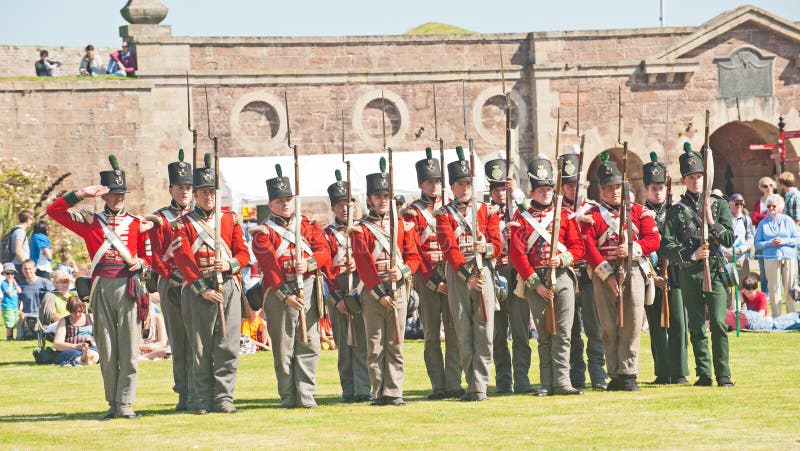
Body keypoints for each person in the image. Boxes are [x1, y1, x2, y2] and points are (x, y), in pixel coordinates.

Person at [46, 154, 152, 419]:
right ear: (104, 196)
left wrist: (142, 262)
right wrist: (81, 193)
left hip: (128, 285)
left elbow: (149, 257)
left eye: (121, 194)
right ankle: (112, 403)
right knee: (106, 348)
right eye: (113, 194)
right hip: (102, 287)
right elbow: (54, 211)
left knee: (128, 349)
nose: (118, 198)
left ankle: (126, 403)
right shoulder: (91, 222)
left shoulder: (137, 223)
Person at [173, 154, 249, 415]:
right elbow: (183, 258)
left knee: (227, 345)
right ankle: (200, 399)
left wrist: (230, 266)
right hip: (198, 289)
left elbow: (243, 254)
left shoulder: (229, 220)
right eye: (203, 192)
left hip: (227, 286)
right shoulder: (183, 224)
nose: (208, 197)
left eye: (211, 192)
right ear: (195, 194)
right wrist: (201, 288)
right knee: (199, 346)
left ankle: (224, 398)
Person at [250, 164, 331, 409]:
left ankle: (306, 394)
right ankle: (287, 395)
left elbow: (324, 251)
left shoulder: (307, 225)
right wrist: (286, 296)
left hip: (308, 287)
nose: (285, 204)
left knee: (309, 344)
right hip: (279, 293)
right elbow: (270, 268)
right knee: (284, 347)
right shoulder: (263, 233)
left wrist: (309, 263)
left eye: (288, 199)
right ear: (271, 204)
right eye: (280, 200)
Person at [581, 152, 660, 391]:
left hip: (633, 270)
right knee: (607, 325)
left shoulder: (638, 212)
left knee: (632, 323)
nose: (614, 192)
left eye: (617, 187)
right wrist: (607, 274)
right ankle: (613, 372)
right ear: (600, 191)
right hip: (603, 273)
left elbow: (653, 240)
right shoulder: (592, 216)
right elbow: (588, 245)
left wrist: (633, 249)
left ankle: (628, 372)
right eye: (608, 189)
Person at [510, 156, 585, 396]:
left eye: (549, 189)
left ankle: (562, 381)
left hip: (562, 276)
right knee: (543, 334)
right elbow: (517, 253)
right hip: (536, 280)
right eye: (541, 190)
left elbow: (577, 246)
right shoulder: (522, 219)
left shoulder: (565, 215)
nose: (546, 194)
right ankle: (545, 383)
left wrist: (562, 259)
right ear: (531, 192)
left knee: (563, 332)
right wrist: (534, 283)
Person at [662, 143, 735, 388]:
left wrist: (711, 219)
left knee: (718, 323)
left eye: (699, 177)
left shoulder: (718, 204)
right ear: (684, 180)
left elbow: (729, 239)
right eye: (691, 177)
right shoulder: (676, 211)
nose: (696, 181)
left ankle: (723, 374)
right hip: (690, 273)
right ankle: (704, 374)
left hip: (713, 270)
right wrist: (692, 255)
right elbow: (667, 247)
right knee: (696, 327)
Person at [351, 159, 421, 406]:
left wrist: (402, 272)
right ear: (369, 199)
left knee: (396, 341)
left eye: (386, 196)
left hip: (398, 287)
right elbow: (363, 263)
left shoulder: (403, 225)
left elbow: (413, 257)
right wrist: (380, 293)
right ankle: (378, 391)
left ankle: (395, 391)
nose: (382, 200)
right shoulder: (361, 229)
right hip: (373, 290)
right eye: (378, 196)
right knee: (375, 344)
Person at [436, 147, 502, 402]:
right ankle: (471, 383)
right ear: (452, 187)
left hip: (483, 270)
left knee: (484, 329)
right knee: (463, 330)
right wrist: (467, 276)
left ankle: (481, 386)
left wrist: (484, 248)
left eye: (467, 183)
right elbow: (449, 248)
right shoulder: (444, 214)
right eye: (459, 184)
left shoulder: (488, 211)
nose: (464, 188)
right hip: (458, 274)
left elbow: (497, 244)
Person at [402, 149, 464, 400]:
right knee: (430, 335)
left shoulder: (451, 211)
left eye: (438, 181)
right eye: (430, 182)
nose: (434, 186)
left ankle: (453, 382)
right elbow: (412, 248)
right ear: (421, 185)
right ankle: (438, 385)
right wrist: (430, 279)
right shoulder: (412, 213)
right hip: (426, 277)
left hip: (450, 274)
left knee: (454, 332)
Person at [147, 149, 193, 411]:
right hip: (172, 281)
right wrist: (172, 276)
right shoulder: (160, 217)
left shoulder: (202, 216)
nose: (184, 191)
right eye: (180, 187)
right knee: (178, 338)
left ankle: (201, 387)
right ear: (171, 189)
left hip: (197, 282)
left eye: (188, 187)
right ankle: (183, 392)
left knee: (200, 338)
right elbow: (155, 256)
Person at [484, 157, 533, 395]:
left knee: (521, 330)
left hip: (519, 272)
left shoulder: (521, 207)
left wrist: (519, 196)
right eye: (496, 189)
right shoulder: (486, 213)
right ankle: (504, 381)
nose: (501, 193)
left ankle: (522, 379)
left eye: (504, 188)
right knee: (499, 333)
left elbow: (534, 220)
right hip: (497, 272)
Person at [559, 148, 607, 391]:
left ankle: (598, 375)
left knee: (594, 328)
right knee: (571, 332)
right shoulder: (555, 213)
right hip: (565, 273)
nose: (572, 190)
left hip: (589, 274)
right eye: (568, 185)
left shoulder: (594, 209)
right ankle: (575, 377)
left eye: (576, 184)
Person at [322, 170, 370, 403]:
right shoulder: (327, 235)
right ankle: (348, 389)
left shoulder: (365, 230)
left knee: (362, 342)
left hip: (362, 288)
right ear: (333, 209)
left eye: (348, 204)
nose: (344, 209)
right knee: (344, 344)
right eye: (339, 205)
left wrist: (359, 264)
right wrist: (337, 298)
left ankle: (363, 388)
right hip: (339, 289)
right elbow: (326, 269)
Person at [641, 152, 689, 385]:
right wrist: (653, 275)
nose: (657, 192)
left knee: (678, 324)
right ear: (646, 189)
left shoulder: (676, 211)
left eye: (661, 187)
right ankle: (662, 372)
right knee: (657, 327)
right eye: (653, 188)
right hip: (651, 276)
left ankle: (679, 372)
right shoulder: (639, 214)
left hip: (676, 276)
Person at [754, 194, 800, 317]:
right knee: (773, 288)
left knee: (790, 287)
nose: (771, 208)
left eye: (774, 206)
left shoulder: (788, 220)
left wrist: (784, 241)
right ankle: (777, 317)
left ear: (780, 207)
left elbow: (797, 239)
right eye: (768, 206)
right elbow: (757, 244)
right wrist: (770, 243)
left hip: (789, 257)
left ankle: (792, 316)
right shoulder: (763, 223)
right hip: (770, 258)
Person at [723, 193, 754, 306]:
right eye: (737, 203)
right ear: (729, 204)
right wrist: (724, 250)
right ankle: (729, 312)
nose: (739, 206)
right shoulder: (724, 218)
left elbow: (750, 239)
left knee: (743, 285)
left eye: (742, 204)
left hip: (741, 258)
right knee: (727, 286)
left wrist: (741, 249)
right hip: (725, 257)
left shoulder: (746, 219)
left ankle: (743, 312)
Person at [52, 296, 99, 366]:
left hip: (89, 347)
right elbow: (57, 344)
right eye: (74, 312)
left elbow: (99, 337)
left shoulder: (89, 318)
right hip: (71, 349)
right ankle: (84, 359)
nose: (77, 315)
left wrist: (93, 340)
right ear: (69, 311)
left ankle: (86, 357)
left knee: (95, 352)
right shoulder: (64, 321)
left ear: (84, 309)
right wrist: (76, 346)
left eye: (80, 311)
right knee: (74, 354)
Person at [17, 259, 54, 339]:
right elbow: (16, 305)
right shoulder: (20, 286)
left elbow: (52, 300)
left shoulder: (45, 283)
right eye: (25, 269)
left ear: (35, 269)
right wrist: (20, 313)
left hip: (43, 317)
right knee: (20, 338)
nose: (28, 271)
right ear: (22, 270)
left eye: (30, 268)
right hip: (27, 317)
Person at [752, 176, 776, 294]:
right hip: (761, 238)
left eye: (771, 185)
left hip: (774, 239)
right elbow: (754, 219)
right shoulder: (760, 202)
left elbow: (778, 216)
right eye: (765, 186)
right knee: (763, 269)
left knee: (775, 269)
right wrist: (766, 216)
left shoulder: (778, 200)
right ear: (761, 188)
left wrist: (762, 217)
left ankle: (775, 292)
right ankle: (765, 293)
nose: (769, 188)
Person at [8, 209, 34, 283]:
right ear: (28, 219)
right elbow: (18, 250)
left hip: (17, 264)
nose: (32, 222)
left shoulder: (15, 230)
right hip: (19, 265)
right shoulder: (20, 232)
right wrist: (25, 266)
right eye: (32, 219)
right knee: (22, 288)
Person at [2, 264, 21, 341]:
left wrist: (15, 283)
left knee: (14, 322)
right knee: (9, 322)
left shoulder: (14, 283)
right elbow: (9, 292)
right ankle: (9, 337)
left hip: (14, 306)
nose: (10, 275)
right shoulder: (4, 283)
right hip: (7, 306)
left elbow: (19, 291)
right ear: (4, 274)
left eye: (12, 273)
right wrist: (10, 283)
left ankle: (12, 337)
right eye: (7, 273)